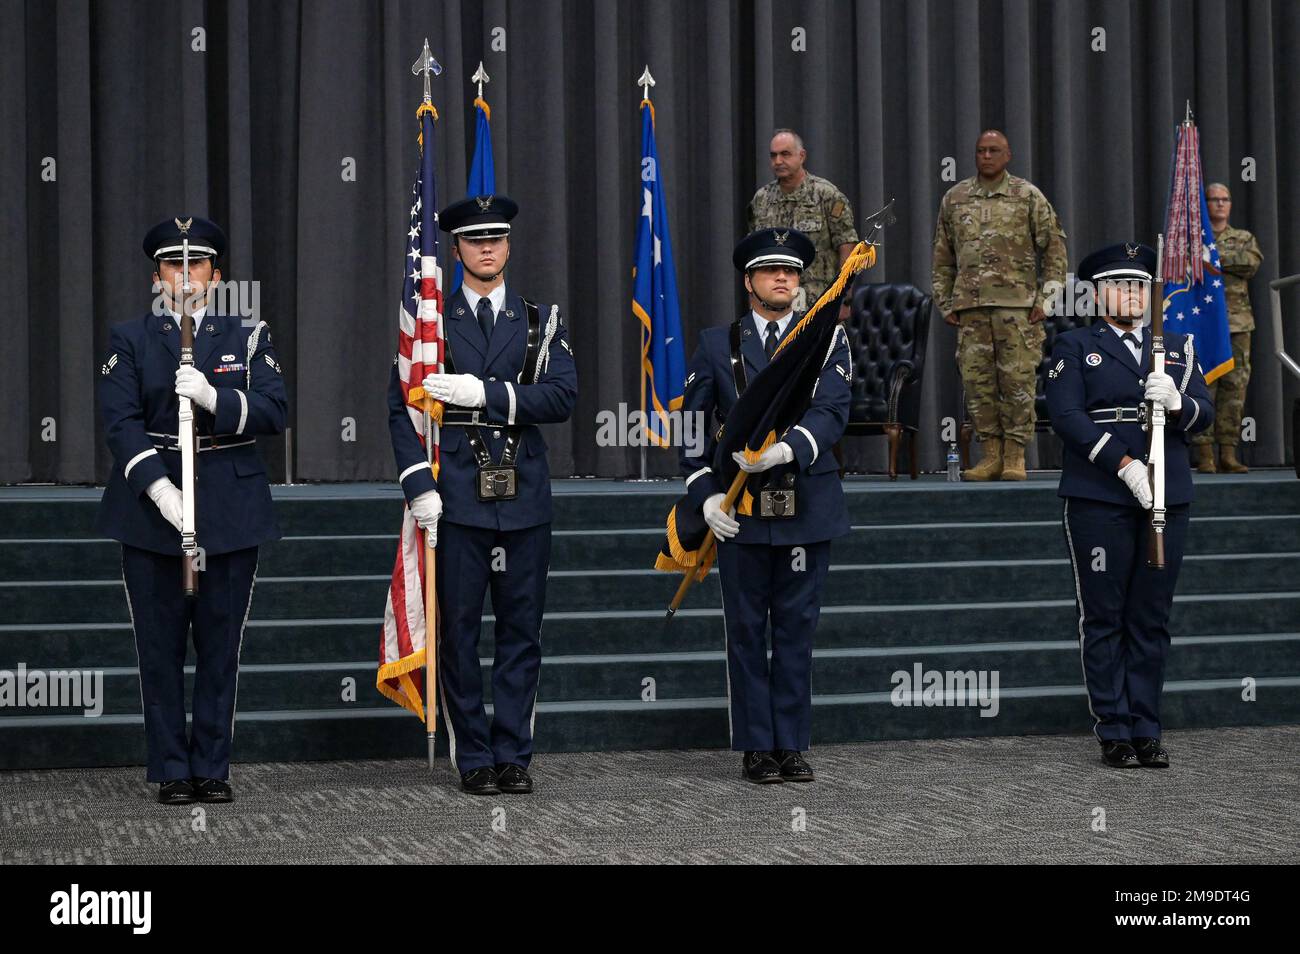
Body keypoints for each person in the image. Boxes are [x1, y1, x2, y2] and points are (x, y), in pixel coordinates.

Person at [388, 194, 577, 796]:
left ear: (510, 245)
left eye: (496, 237)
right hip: (458, 495)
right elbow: (401, 406)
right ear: (456, 248)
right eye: (474, 240)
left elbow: (561, 397)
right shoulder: (431, 322)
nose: (487, 247)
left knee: (522, 631)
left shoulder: (539, 317)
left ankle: (513, 751)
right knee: (459, 631)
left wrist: (485, 394)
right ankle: (472, 753)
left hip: (523, 491)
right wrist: (419, 484)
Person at [98, 216, 286, 804]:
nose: (185, 275)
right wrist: (161, 491)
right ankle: (171, 768)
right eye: (174, 264)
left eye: (197, 264)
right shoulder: (129, 338)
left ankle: (212, 765)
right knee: (158, 648)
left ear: (216, 274)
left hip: (229, 503)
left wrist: (215, 397)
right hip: (153, 510)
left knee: (220, 646)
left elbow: (273, 410)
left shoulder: (248, 333)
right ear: (158, 275)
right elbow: (121, 425)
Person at [678, 227, 851, 784]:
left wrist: (786, 448)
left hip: (805, 498)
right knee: (748, 628)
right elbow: (689, 431)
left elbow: (832, 410)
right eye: (772, 270)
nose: (785, 279)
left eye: (793, 271)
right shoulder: (715, 344)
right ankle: (757, 745)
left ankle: (792, 742)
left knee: (797, 628)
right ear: (749, 281)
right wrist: (705, 498)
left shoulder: (825, 337)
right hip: (740, 509)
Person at [1045, 242, 1213, 769]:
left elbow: (1206, 413)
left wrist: (1178, 402)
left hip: (1168, 492)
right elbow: (1067, 417)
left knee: (1151, 616)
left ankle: (1147, 726)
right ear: (1097, 294)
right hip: (1101, 493)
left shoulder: (1177, 347)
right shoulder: (1075, 345)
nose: (1133, 294)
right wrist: (1124, 464)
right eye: (1120, 285)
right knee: (1104, 614)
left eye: (1140, 285)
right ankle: (1114, 728)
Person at [932, 129, 1068, 480]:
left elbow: (1054, 248)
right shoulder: (955, 198)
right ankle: (990, 454)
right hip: (971, 308)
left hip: (1018, 310)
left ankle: (1015, 456)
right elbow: (942, 256)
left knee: (1017, 383)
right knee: (978, 385)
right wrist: (945, 302)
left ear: (1008, 156)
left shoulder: (1027, 196)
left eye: (994, 151)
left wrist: (1047, 299)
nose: (986, 156)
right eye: (981, 151)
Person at [1191, 182, 1263, 473]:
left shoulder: (1243, 237)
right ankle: (1205, 453)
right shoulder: (1193, 240)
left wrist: (1212, 258)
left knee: (1235, 389)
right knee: (1204, 387)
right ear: (1205, 205)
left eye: (1225, 199)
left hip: (1237, 324)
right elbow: (1185, 269)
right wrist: (1211, 259)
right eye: (1213, 200)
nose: (1220, 204)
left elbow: (1252, 264)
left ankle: (1228, 453)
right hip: (1204, 325)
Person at [747, 129, 858, 313]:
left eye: (785, 154)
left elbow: (847, 248)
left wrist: (844, 297)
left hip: (818, 302)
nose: (778, 161)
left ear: (802, 156)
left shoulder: (826, 195)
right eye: (773, 156)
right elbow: (754, 252)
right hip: (773, 304)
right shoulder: (761, 199)